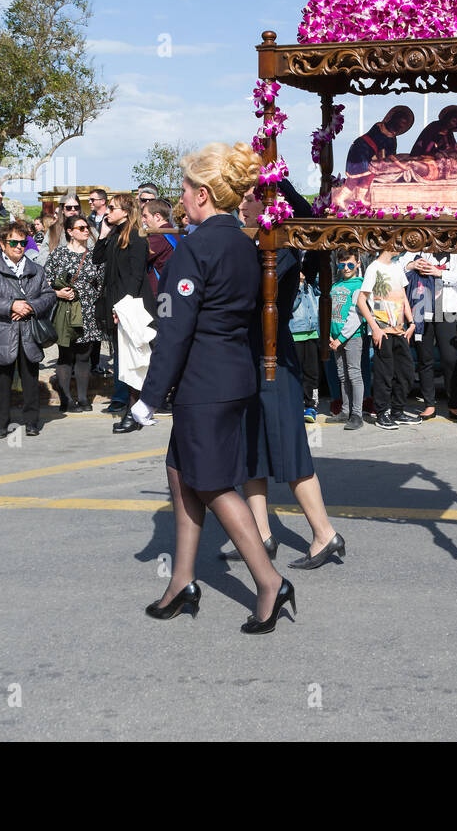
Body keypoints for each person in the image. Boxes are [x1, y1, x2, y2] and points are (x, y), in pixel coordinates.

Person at [129, 142, 295, 633]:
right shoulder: (245, 242)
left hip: (205, 382)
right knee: (181, 474)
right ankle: (182, 581)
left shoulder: (196, 248)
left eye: (183, 189)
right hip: (231, 375)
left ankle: (268, 581)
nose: (179, 199)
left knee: (211, 483)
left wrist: (148, 397)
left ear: (202, 194)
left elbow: (175, 330)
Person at [231, 179, 348, 572]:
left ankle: (324, 534)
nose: (242, 205)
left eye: (249, 198)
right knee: (250, 449)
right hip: (248, 357)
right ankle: (261, 534)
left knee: (291, 448)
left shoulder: (281, 249)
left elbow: (311, 220)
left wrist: (281, 182)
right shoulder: (251, 241)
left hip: (275, 360)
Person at [0, 221, 55, 438]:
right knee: (1, 382)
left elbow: (48, 295)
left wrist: (29, 307)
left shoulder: (36, 270)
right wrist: (10, 306)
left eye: (23, 242)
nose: (19, 246)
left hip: (28, 332)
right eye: (13, 243)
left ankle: (31, 422)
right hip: (1, 331)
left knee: (30, 380)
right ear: (2, 244)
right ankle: (1, 423)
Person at [94, 193, 154, 427]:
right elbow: (96, 259)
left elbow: (136, 275)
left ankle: (134, 411)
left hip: (131, 305)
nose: (108, 211)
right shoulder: (116, 235)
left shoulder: (137, 237)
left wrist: (123, 307)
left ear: (126, 211)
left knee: (134, 359)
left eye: (112, 208)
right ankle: (133, 410)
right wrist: (102, 234)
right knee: (124, 358)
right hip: (116, 303)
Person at [43, 215, 104, 412]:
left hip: (88, 310)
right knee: (66, 355)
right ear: (70, 232)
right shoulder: (58, 254)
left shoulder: (95, 255)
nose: (86, 231)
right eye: (81, 228)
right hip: (66, 310)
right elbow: (44, 283)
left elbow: (101, 282)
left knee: (84, 356)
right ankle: (67, 399)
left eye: (87, 227)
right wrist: (58, 292)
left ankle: (84, 398)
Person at [402, 248, 457, 419]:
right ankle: (429, 404)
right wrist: (412, 264)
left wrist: (439, 273)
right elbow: (400, 267)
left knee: (450, 359)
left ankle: (454, 403)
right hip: (422, 307)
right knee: (425, 358)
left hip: (447, 310)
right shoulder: (420, 248)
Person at [358, 242, 419, 430]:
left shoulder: (397, 267)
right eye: (398, 243)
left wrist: (412, 322)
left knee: (406, 372)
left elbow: (403, 296)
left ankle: (397, 411)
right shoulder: (373, 268)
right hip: (382, 331)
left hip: (400, 330)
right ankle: (382, 413)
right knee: (385, 374)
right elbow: (361, 300)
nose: (401, 246)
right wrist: (375, 328)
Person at [329, 249, 367, 431]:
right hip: (335, 338)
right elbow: (329, 312)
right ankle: (345, 410)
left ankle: (357, 414)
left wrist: (341, 337)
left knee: (354, 374)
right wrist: (330, 335)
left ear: (358, 264)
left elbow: (356, 316)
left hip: (352, 337)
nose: (346, 268)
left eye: (350, 264)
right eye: (342, 264)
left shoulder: (359, 286)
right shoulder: (335, 286)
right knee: (342, 375)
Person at [289, 270, 321, 422]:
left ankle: (311, 406)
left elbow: (321, 292)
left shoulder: (311, 285)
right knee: (295, 372)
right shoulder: (293, 286)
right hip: (296, 333)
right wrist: (299, 285)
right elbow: (292, 305)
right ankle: (294, 404)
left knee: (312, 373)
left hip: (312, 333)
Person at [344, 106, 414, 175]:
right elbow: (373, 145)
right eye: (401, 122)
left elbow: (391, 156)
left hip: (378, 163)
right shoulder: (379, 128)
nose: (401, 126)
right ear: (394, 118)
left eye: (404, 124)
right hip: (362, 153)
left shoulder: (392, 139)